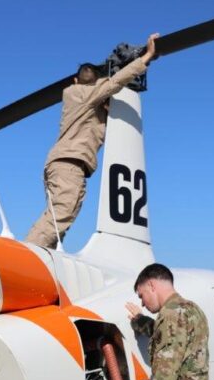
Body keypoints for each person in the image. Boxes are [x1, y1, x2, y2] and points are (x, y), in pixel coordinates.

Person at [26, 33, 159, 248]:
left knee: (59, 222)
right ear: (95, 84)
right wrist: (144, 58)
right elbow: (114, 83)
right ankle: (26, 258)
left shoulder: (74, 97)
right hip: (70, 164)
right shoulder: (88, 94)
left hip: (61, 164)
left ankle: (40, 261)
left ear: (75, 80)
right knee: (61, 214)